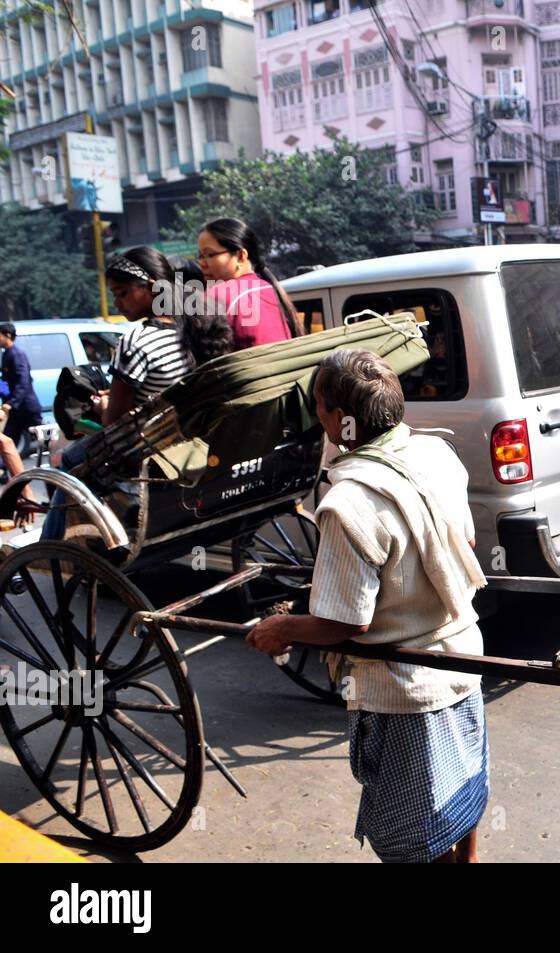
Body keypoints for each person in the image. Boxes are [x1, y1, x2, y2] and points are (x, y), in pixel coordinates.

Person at [245, 350, 490, 863]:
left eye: (319, 407)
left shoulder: (347, 503)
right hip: (464, 659)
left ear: (338, 419)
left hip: (405, 691)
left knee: (415, 837)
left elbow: (345, 620)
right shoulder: (436, 454)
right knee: (460, 801)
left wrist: (283, 626)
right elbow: (464, 544)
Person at [41, 247, 232, 540]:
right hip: (186, 440)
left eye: (122, 293)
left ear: (152, 288)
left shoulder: (136, 339)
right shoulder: (194, 329)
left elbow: (112, 420)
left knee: (68, 459)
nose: (117, 303)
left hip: (143, 449)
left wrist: (102, 404)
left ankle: (49, 546)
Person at [197, 217, 303, 350]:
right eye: (200, 256)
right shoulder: (268, 289)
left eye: (210, 254)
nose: (201, 263)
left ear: (241, 256)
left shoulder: (217, 295)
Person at [0, 322, 43, 457]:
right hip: (17, 410)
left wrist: (11, 403)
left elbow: (22, 382)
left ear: (7, 335)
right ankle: (5, 473)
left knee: (46, 439)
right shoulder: (7, 354)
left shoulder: (16, 355)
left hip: (26, 407)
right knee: (8, 442)